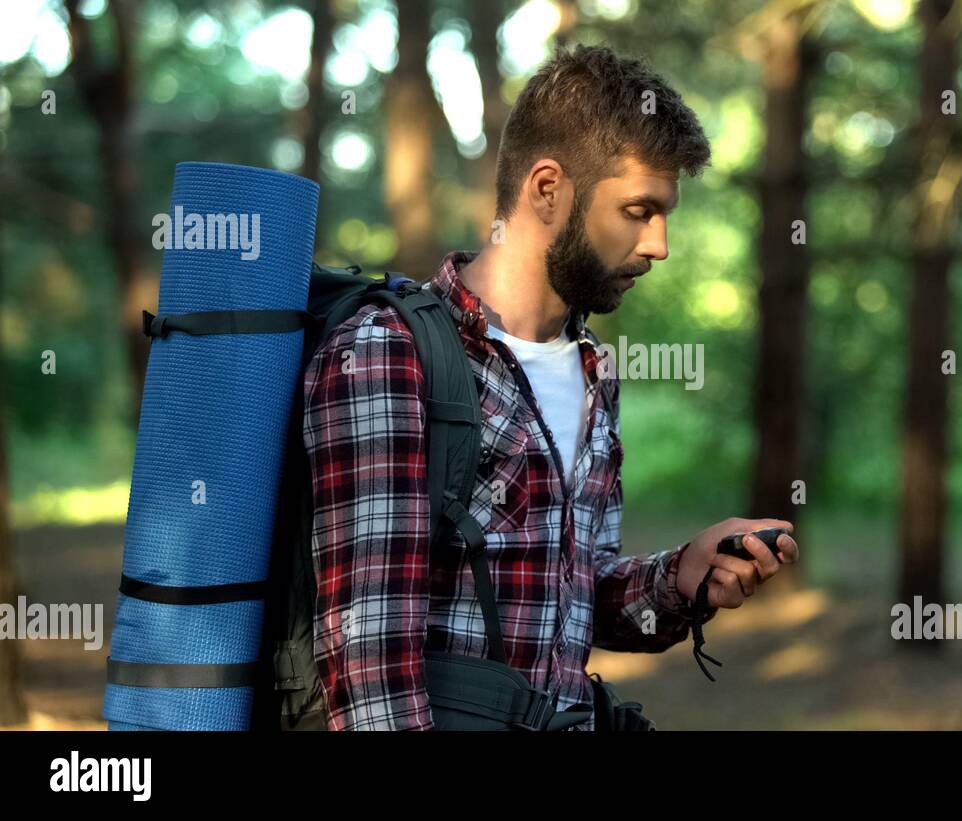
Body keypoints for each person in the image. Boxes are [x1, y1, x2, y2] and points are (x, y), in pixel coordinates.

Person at [302, 44, 800, 731]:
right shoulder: (390, 355)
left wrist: (684, 573)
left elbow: (569, 603)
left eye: (665, 215)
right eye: (638, 210)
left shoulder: (594, 372)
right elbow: (368, 666)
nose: (659, 245)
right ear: (547, 188)